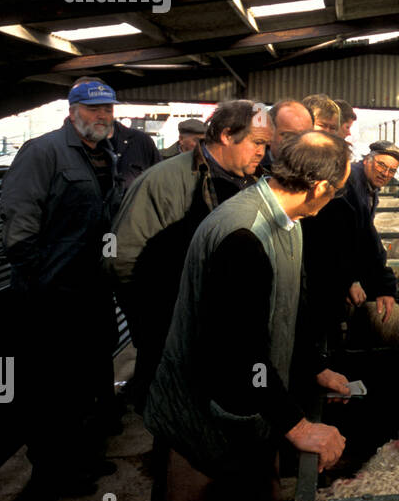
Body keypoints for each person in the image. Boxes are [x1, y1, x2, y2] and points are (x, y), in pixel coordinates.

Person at [145, 130, 352, 501]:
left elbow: (289, 304)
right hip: (203, 422)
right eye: (337, 191)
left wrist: (313, 366)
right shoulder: (244, 236)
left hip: (246, 411)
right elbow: (237, 352)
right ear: (320, 187)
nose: (334, 200)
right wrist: (298, 426)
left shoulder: (287, 219)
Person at [108, 101, 275, 411]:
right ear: (227, 135)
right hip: (172, 329)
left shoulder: (257, 183)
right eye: (257, 143)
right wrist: (158, 324)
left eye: (266, 145)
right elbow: (120, 258)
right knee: (172, 415)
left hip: (229, 334)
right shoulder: (162, 182)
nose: (262, 153)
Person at [0, 79, 125, 494]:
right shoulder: (43, 151)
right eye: (93, 109)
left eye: (107, 108)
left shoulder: (105, 153)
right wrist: (36, 277)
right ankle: (52, 472)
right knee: (51, 388)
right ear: (72, 111)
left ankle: (82, 459)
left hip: (89, 290)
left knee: (85, 381)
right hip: (49, 294)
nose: (102, 115)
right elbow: (20, 215)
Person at [301, 141, 399, 343]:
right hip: (325, 276)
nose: (385, 173)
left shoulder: (368, 187)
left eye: (392, 170)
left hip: (334, 272)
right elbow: (348, 236)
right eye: (381, 165)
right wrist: (351, 279)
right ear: (367, 160)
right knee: (323, 333)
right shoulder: (352, 184)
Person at [261, 99, 314, 175]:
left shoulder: (318, 170)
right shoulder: (253, 169)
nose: (297, 143)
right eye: (289, 136)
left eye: (304, 136)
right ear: (269, 135)